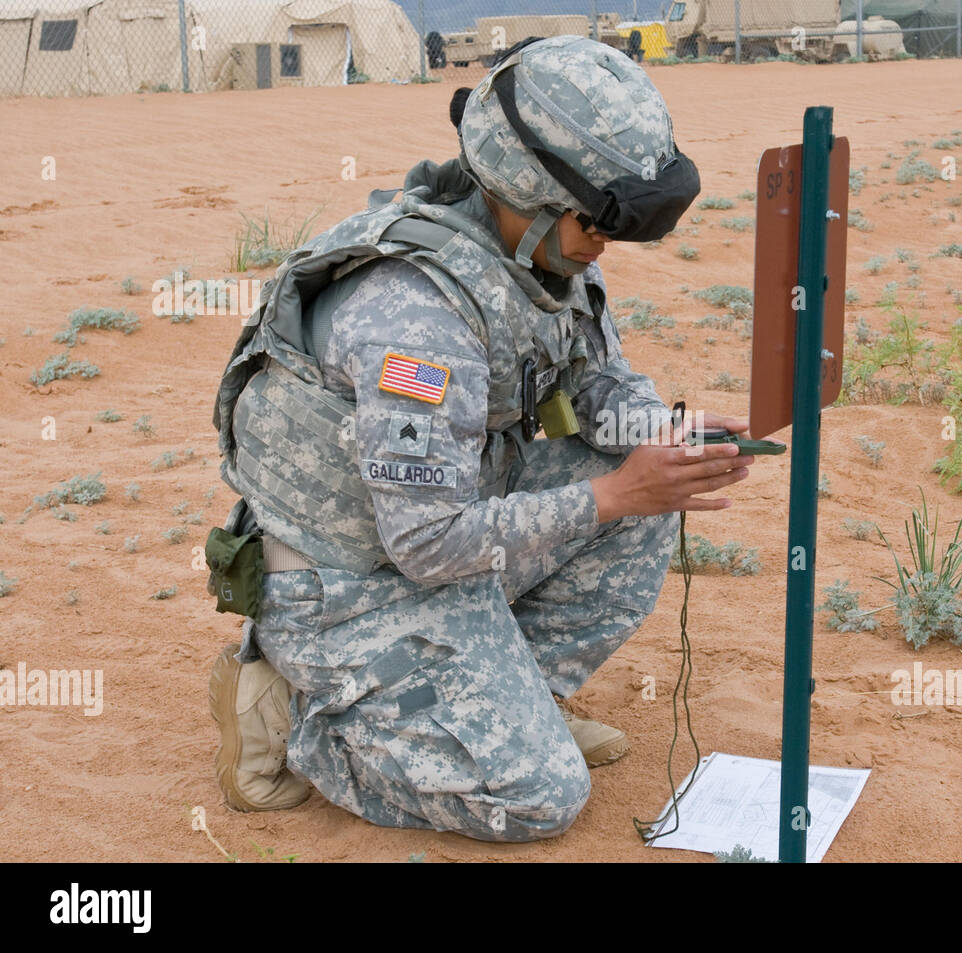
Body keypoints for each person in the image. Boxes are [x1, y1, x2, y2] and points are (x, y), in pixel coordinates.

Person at [206, 34, 754, 841]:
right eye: (594, 222)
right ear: (528, 193)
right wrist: (613, 493)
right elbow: (425, 543)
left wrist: (658, 432)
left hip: (439, 527)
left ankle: (508, 700)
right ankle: (292, 709)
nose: (604, 243)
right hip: (348, 583)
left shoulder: (542, 253)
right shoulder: (416, 318)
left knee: (641, 491)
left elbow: (585, 382)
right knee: (539, 797)